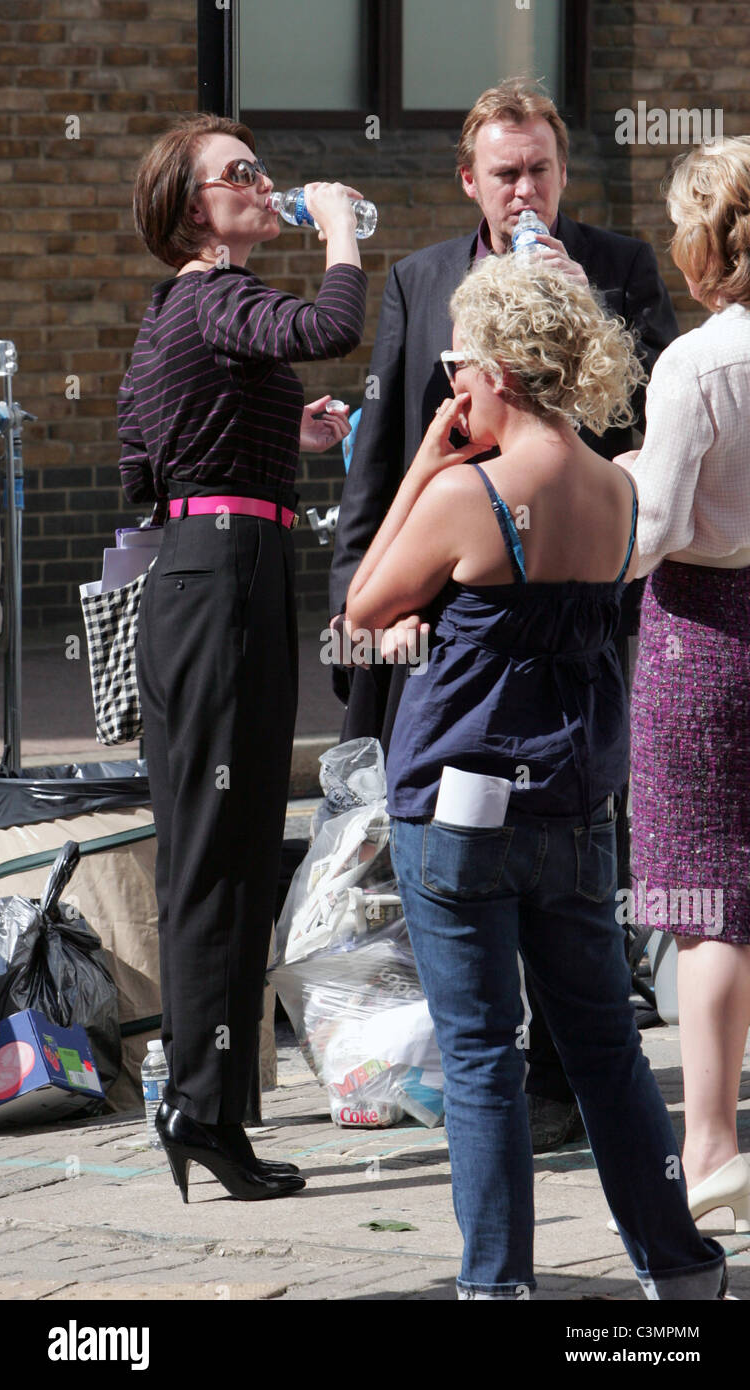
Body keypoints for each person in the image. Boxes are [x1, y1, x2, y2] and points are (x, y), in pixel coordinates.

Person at [344, 253, 727, 1299]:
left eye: (456, 366)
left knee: (479, 1055)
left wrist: (422, 464)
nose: (451, 386)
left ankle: (496, 1283)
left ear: (498, 371)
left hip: (457, 803)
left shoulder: (466, 492)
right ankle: (679, 1265)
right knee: (604, 1045)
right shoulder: (615, 487)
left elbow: (364, 609)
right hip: (574, 798)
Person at [330, 78, 680, 1152]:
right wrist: (360, 620)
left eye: (539, 170)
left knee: (568, 844)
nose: (523, 189)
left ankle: (555, 1080)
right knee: (450, 857)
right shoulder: (420, 279)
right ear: (468, 180)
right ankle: (445, 1064)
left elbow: (652, 430)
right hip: (442, 610)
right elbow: (387, 455)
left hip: (567, 613)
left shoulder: (616, 266)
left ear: (563, 174)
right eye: (504, 172)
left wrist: (590, 318)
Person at [117, 113, 367, 1202]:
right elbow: (330, 325)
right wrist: (341, 228)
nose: (266, 186)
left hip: (205, 569)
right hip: (223, 580)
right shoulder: (215, 291)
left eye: (262, 170)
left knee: (217, 849)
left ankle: (208, 1106)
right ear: (193, 210)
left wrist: (277, 436)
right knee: (223, 853)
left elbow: (143, 457)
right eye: (241, 174)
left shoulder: (176, 311)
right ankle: (200, 1106)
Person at [619, 137, 750, 1233]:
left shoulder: (697, 363)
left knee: (709, 903)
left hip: (703, 634)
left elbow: (651, 528)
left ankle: (709, 1147)